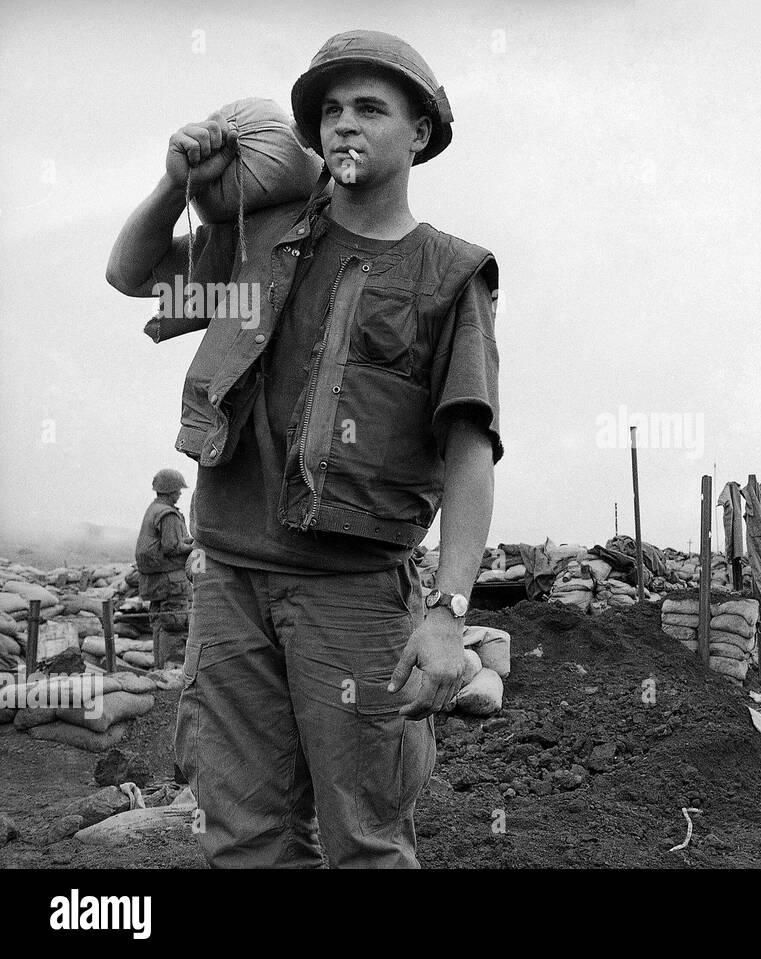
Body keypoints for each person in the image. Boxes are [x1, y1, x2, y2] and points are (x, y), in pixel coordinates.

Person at [107, 30, 501, 868]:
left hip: (353, 595)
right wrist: (172, 184)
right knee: (243, 835)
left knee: (364, 839)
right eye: (330, 112)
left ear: (420, 134)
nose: (344, 127)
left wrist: (448, 611)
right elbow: (132, 274)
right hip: (232, 584)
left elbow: (471, 448)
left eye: (370, 108)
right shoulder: (262, 239)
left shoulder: (448, 275)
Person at [134, 469, 195, 667]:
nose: (179, 494)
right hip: (172, 581)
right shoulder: (168, 514)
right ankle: (172, 672)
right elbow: (171, 546)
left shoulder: (154, 509)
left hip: (156, 582)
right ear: (170, 491)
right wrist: (196, 546)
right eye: (178, 490)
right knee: (175, 626)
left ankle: (161, 669)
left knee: (160, 626)